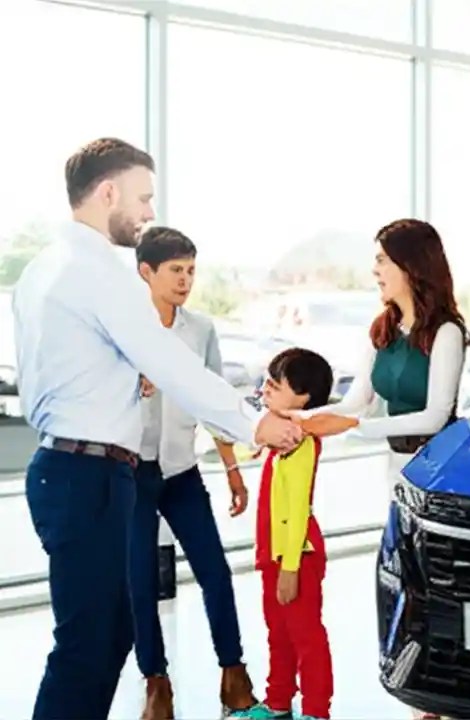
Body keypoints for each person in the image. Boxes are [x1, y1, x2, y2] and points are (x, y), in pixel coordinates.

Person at [13, 137, 303, 720]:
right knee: (88, 644)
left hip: (67, 469)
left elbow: (60, 374)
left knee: (108, 632)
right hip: (89, 475)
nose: (149, 211)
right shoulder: (101, 273)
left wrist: (123, 379)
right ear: (108, 192)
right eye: (143, 197)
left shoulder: (43, 270)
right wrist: (253, 423)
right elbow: (171, 362)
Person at [128, 226, 257, 717]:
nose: (185, 280)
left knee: (215, 573)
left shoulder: (201, 330)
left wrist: (232, 470)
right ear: (146, 272)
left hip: (183, 471)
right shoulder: (125, 327)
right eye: (175, 270)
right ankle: (156, 683)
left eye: (191, 271)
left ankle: (234, 674)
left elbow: (214, 400)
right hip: (133, 472)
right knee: (141, 583)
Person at [294, 218, 467, 499]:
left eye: (382, 260)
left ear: (411, 265)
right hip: (396, 466)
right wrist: (298, 419)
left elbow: (436, 417)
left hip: (437, 470)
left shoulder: (447, 332)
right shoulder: (383, 329)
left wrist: (357, 426)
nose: (375, 270)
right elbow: (356, 402)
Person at [230, 348, 335, 720]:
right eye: (266, 382)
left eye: (276, 385)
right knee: (278, 633)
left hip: (297, 556)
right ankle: (277, 702)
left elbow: (296, 511)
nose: (265, 389)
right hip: (274, 555)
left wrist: (290, 567)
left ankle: (316, 711)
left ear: (303, 397)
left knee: (306, 636)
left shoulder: (301, 444)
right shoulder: (280, 441)